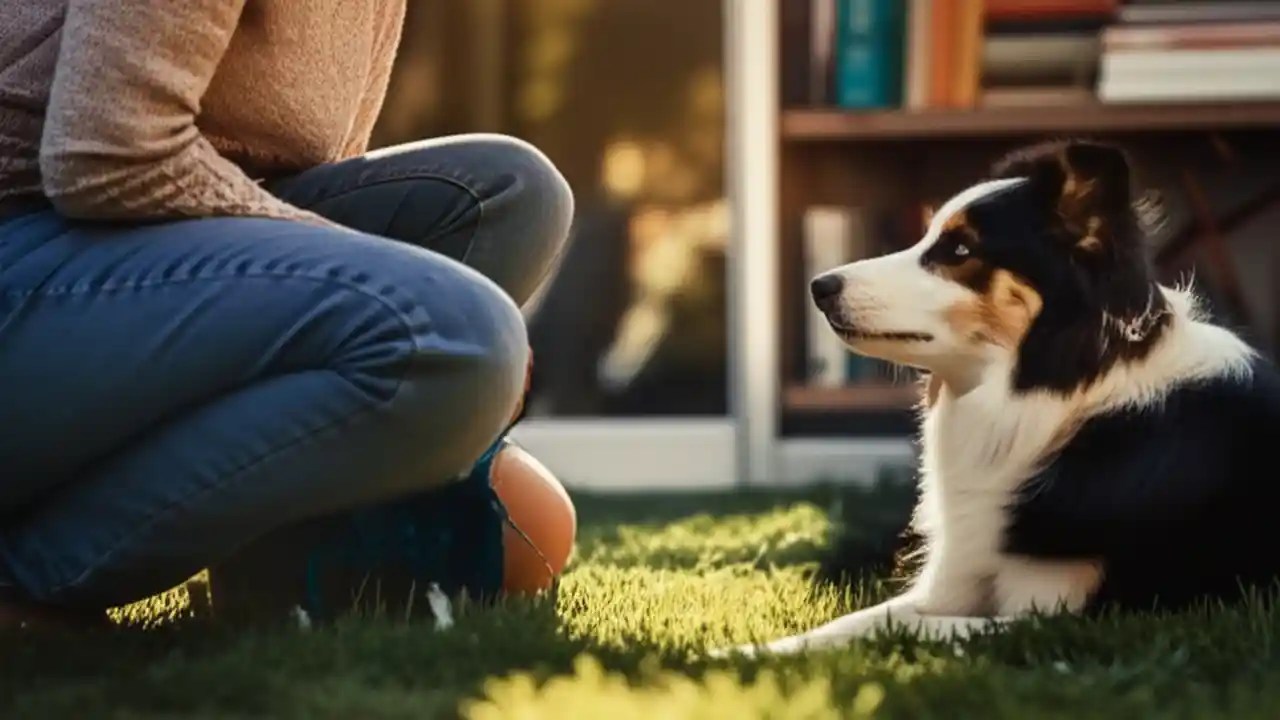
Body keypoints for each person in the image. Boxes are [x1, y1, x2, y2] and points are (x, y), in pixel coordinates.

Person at [0, 1, 573, 625]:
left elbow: (310, 169)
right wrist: (422, 304)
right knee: (458, 334)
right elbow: (105, 156)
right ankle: (27, 581)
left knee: (513, 197)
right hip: (31, 248)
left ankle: (277, 571)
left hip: (116, 254)